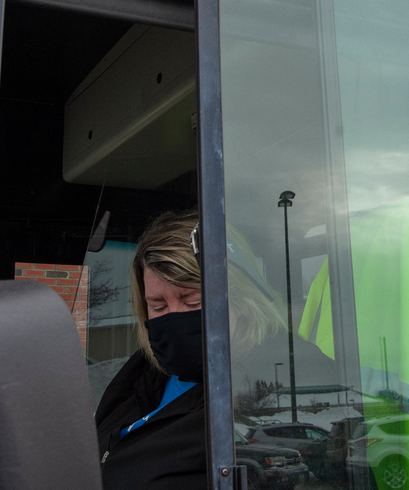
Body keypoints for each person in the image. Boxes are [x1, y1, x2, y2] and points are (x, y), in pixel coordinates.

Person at [95, 210, 284, 490]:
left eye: (193, 302)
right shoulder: (142, 373)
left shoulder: (257, 395)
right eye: (158, 306)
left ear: (242, 301)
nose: (174, 317)